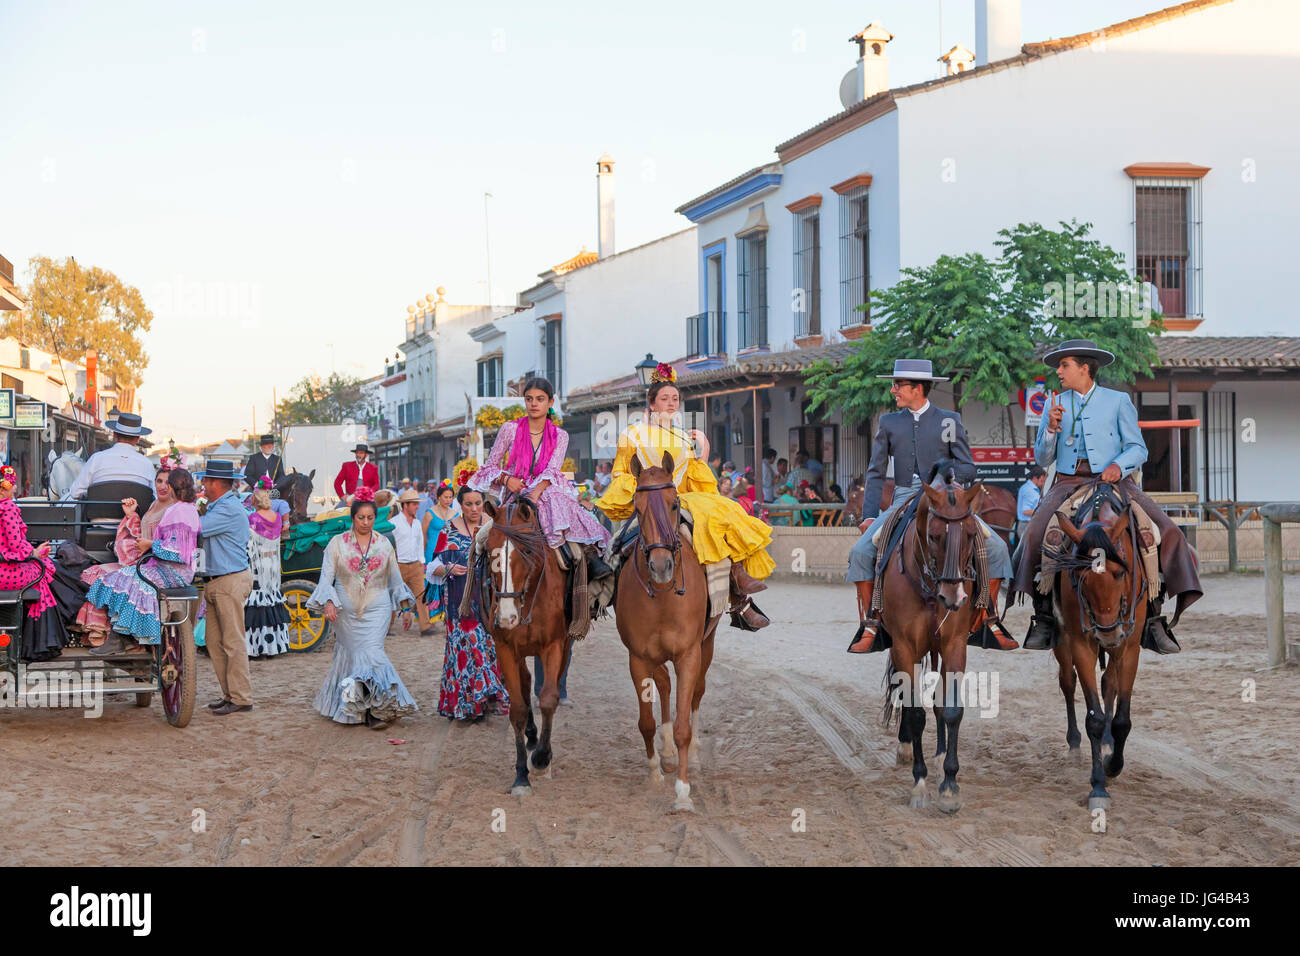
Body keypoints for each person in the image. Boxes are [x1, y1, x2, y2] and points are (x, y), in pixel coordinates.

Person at [1012, 339, 1202, 653]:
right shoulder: (1052, 403)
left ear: (1084, 368)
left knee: (1164, 531)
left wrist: (1118, 464)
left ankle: (1154, 615)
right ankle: (1043, 615)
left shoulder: (1118, 401)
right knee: (1034, 534)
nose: (1058, 371)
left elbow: (1138, 448)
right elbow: (1043, 459)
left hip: (1115, 481)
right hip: (1067, 482)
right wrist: (1050, 431)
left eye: (1064, 365)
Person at [846, 358, 1016, 654]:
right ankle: (871, 622)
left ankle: (988, 616)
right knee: (861, 551)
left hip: (943, 496)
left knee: (998, 549)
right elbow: (875, 470)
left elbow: (968, 466)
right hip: (903, 496)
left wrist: (948, 481)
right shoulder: (889, 422)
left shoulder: (948, 419)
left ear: (918, 388)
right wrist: (869, 514)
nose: (893, 390)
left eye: (898, 385)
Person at [594, 363, 772, 630]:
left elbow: (691, 476)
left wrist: (704, 450)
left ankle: (738, 598)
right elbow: (622, 473)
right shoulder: (632, 435)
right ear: (652, 404)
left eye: (674, 398)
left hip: (680, 498)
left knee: (722, 518)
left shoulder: (682, 436)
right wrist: (644, 493)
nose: (670, 403)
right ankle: (602, 597)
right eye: (664, 398)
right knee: (618, 546)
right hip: (646, 498)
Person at [470, 377, 612, 582]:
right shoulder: (510, 429)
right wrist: (507, 479)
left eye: (540, 399)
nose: (534, 404)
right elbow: (491, 465)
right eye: (529, 399)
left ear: (550, 402)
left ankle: (587, 560)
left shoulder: (560, 435)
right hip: (515, 494)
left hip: (546, 491)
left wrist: (535, 495)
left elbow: (553, 470)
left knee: (566, 505)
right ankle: (481, 583)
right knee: (483, 540)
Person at [308, 489, 419, 729]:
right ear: (353, 518)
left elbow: (396, 579)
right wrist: (328, 602)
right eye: (361, 518)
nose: (366, 522)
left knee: (372, 653)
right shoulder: (336, 544)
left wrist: (405, 608)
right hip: (345, 612)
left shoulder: (383, 544)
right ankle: (359, 708)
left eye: (370, 518)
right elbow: (326, 578)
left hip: (378, 609)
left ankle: (377, 711)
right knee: (355, 655)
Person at [85, 467, 201, 656]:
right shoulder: (185, 509)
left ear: (172, 487)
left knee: (123, 579)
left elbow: (178, 553)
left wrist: (150, 545)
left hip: (173, 572)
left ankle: (121, 638)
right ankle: (120, 637)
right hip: (170, 569)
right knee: (122, 576)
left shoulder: (179, 511)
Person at [428, 486, 510, 721]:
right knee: (469, 651)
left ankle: (486, 700)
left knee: (490, 650)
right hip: (459, 603)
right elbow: (433, 565)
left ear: (484, 503)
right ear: (460, 505)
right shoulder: (449, 529)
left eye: (477, 504)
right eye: (468, 504)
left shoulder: (496, 527)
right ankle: (471, 705)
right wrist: (448, 568)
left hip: (491, 602)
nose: (474, 509)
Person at [0, 465, 86, 661]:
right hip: (6, 574)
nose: (15, 490)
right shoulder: (8, 508)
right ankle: (50, 633)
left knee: (43, 566)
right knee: (44, 568)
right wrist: (35, 553)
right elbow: (14, 545)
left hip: (4, 569)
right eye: (13, 486)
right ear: (4, 488)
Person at [196, 459, 255, 716]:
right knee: (215, 642)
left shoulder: (227, 509)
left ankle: (241, 697)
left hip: (228, 579)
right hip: (220, 579)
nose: (203, 485)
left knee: (232, 642)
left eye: (206, 481)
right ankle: (231, 694)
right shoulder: (222, 506)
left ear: (217, 484)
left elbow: (197, 529)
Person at [62, 412, 155, 500]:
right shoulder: (148, 464)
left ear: (114, 434)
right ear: (137, 438)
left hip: (98, 515)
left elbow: (75, 492)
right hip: (137, 516)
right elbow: (155, 496)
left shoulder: (96, 459)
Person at [244, 484, 291, 658]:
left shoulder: (253, 519)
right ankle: (274, 646)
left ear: (254, 500)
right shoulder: (277, 517)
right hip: (273, 563)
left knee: (256, 603)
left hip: (258, 565)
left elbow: (249, 545)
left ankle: (257, 647)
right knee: (272, 600)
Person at [391, 488, 435, 635]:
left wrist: (421, 561)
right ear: (405, 505)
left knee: (421, 596)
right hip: (399, 565)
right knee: (392, 595)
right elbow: (389, 544)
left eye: (417, 504)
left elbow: (419, 543)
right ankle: (385, 628)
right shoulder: (394, 523)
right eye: (414, 504)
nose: (417, 507)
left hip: (415, 564)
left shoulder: (417, 523)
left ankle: (425, 626)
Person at [420, 480, 457, 626]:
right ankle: (431, 617)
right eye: (445, 497)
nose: (448, 500)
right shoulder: (430, 513)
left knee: (448, 584)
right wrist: (422, 554)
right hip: (432, 552)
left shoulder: (456, 514)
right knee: (431, 583)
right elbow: (423, 535)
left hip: (449, 553)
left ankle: (446, 616)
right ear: (439, 497)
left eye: (450, 497)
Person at [1016, 465, 1048, 543]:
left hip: (1028, 525)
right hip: (1027, 526)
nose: (1043, 484)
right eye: (1042, 481)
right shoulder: (1029, 490)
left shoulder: (1028, 488)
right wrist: (1045, 514)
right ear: (1034, 478)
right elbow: (1026, 511)